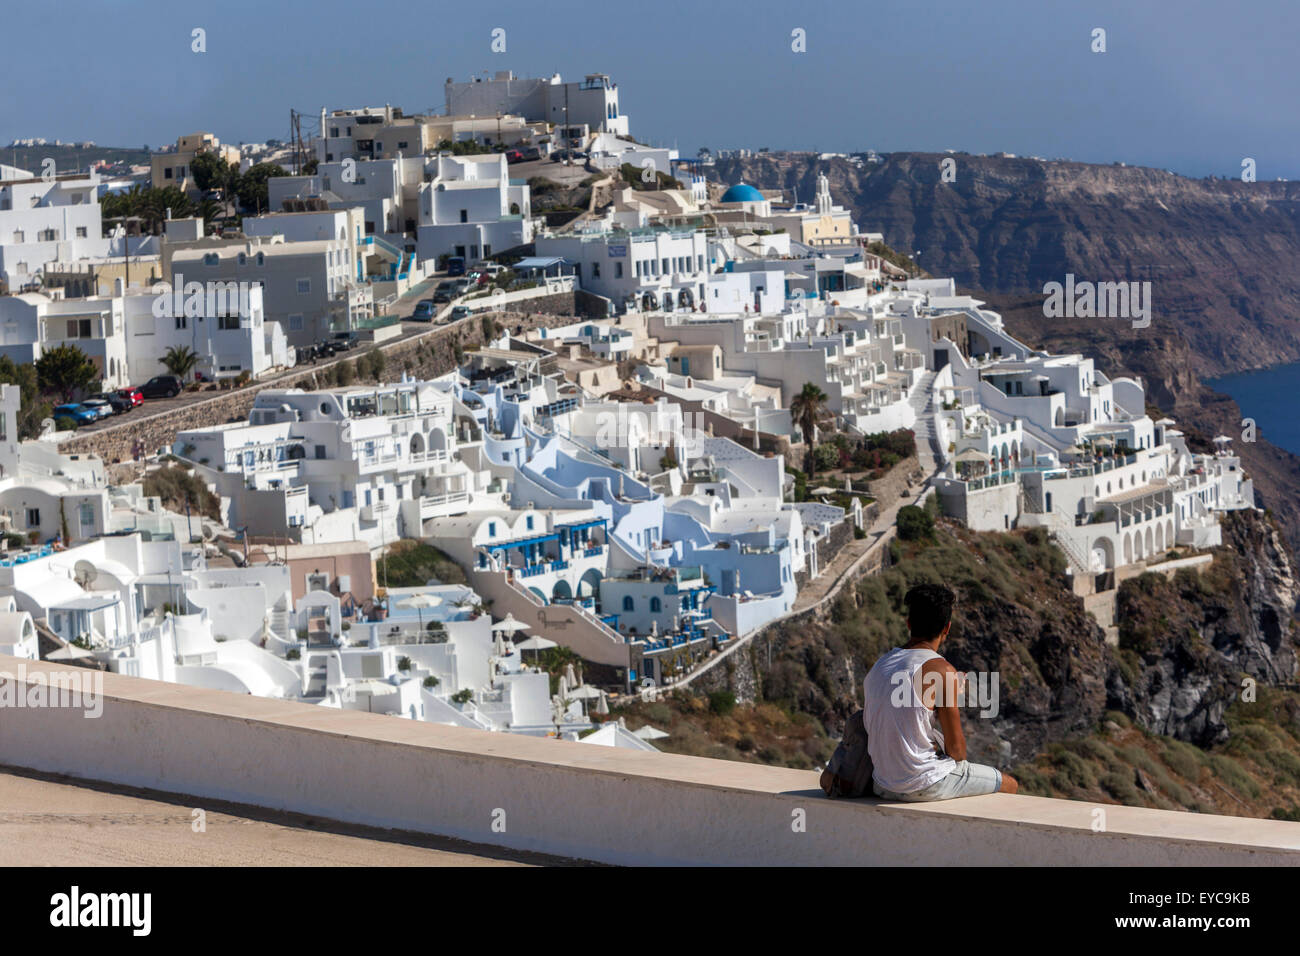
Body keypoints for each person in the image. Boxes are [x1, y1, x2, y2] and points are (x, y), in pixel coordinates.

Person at [863, 583, 1017, 801]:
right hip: (923, 784)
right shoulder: (942, 670)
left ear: (909, 624)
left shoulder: (880, 665)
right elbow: (957, 750)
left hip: (881, 784)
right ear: (947, 628)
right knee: (1010, 785)